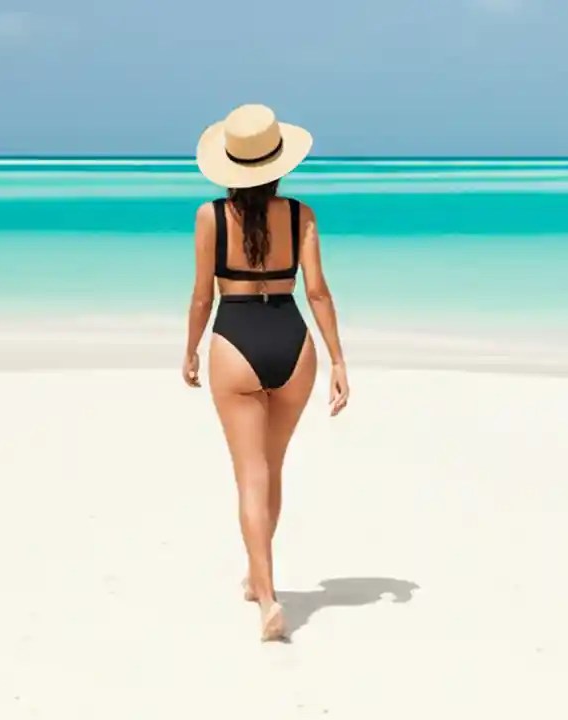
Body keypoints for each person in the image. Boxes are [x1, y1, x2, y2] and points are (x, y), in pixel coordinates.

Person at [183, 103, 350, 641]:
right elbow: (317, 292)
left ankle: (269, 597)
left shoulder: (210, 217)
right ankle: (257, 580)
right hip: (293, 342)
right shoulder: (301, 215)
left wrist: (190, 350)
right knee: (271, 469)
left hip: (235, 340)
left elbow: (202, 295)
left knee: (249, 475)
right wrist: (338, 359)